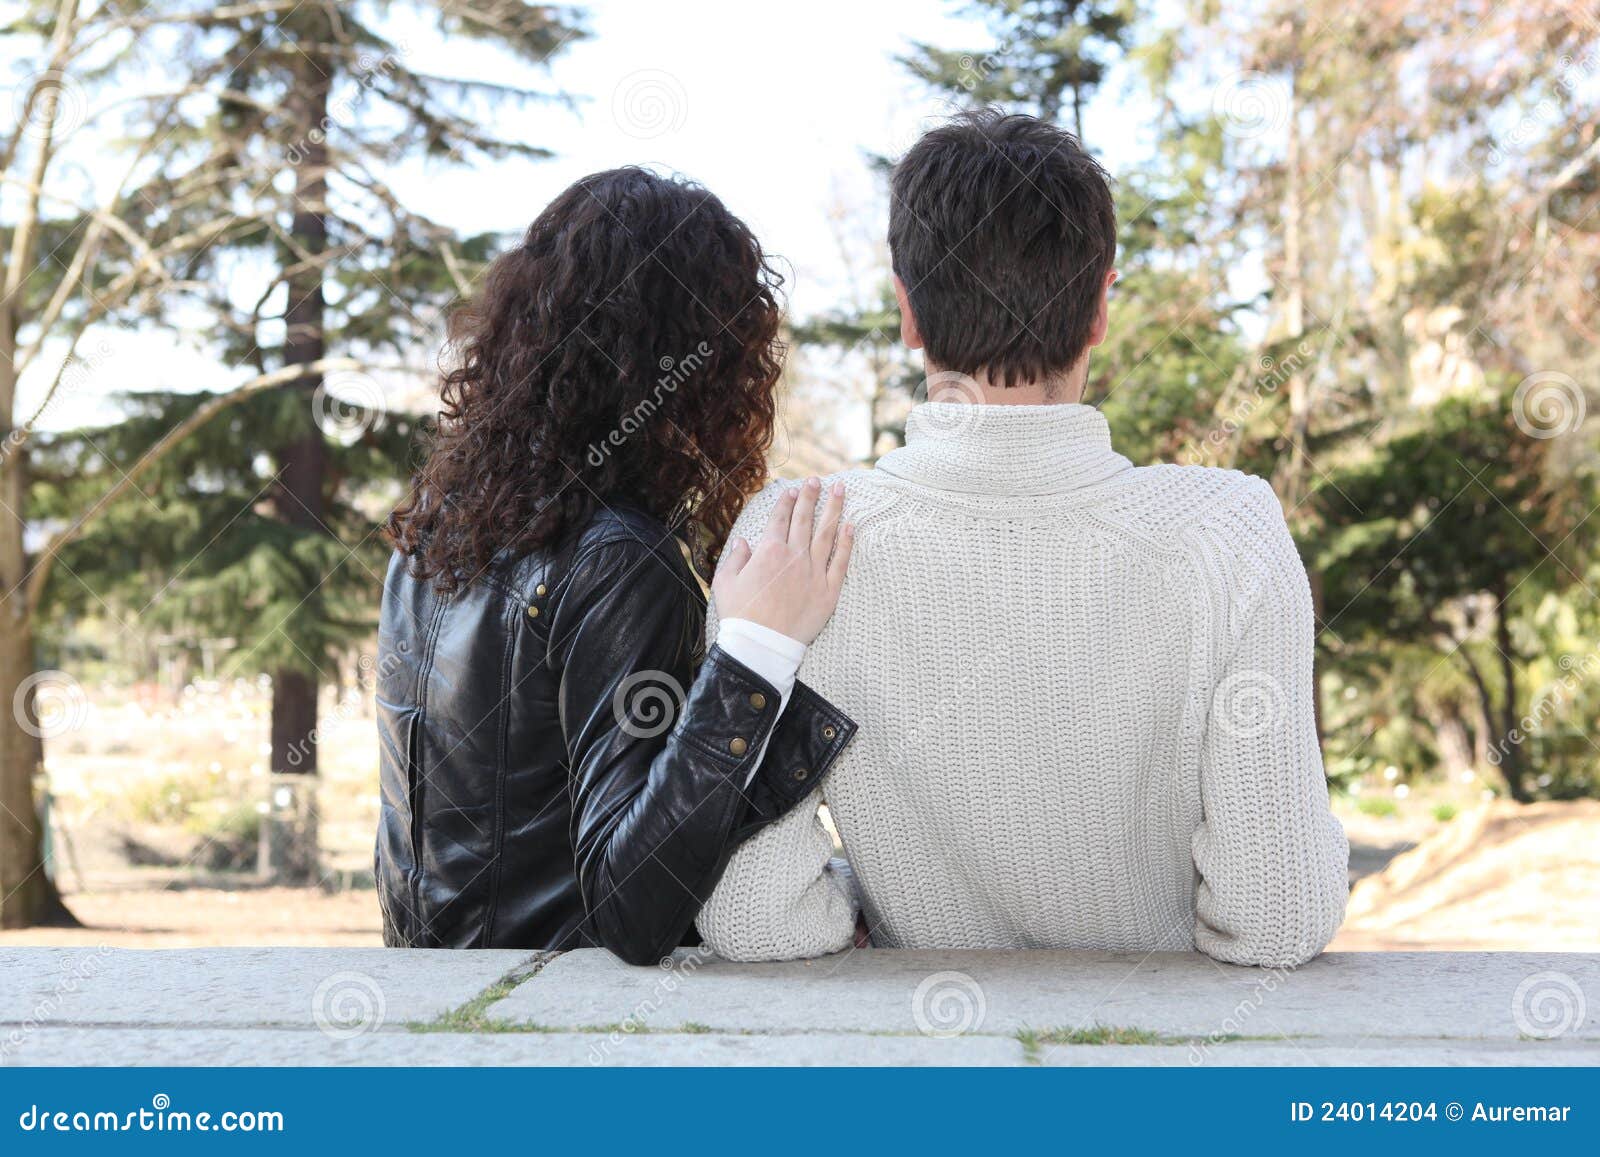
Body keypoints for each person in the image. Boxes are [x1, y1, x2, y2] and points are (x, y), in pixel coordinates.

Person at [696, 111, 1349, 968]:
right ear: (1099, 311)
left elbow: (750, 917)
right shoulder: (1229, 535)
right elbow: (1278, 914)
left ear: (907, 312)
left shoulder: (797, 537)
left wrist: (856, 902)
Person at [377, 167, 857, 964]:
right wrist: (755, 657)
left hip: (442, 1011)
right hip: (554, 1034)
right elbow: (632, 912)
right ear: (703, 364)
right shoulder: (621, 560)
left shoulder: (432, 540)